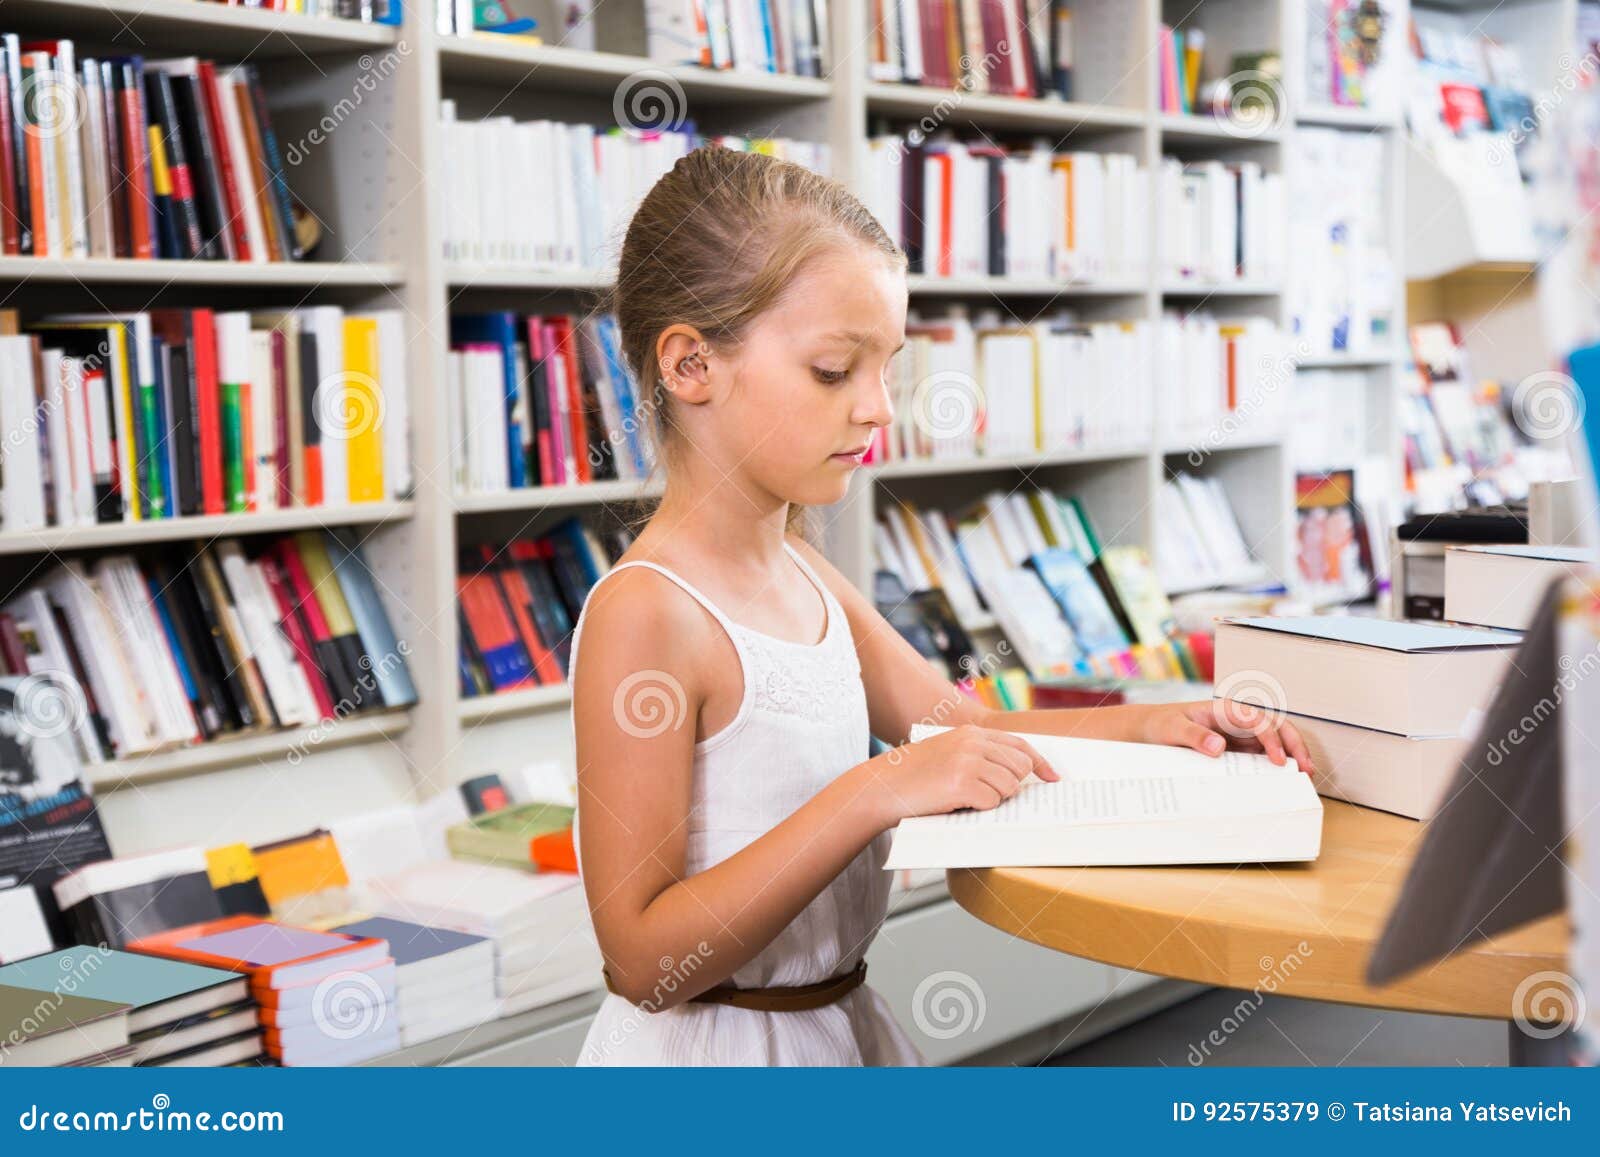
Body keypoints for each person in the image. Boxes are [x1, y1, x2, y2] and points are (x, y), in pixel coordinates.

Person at [569, 145, 1314, 1066]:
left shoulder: (805, 573)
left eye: (888, 369)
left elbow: (964, 731)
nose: (879, 408)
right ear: (690, 365)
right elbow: (642, 959)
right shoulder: (647, 611)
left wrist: (1160, 721)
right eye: (835, 371)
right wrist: (876, 789)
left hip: (835, 1028)